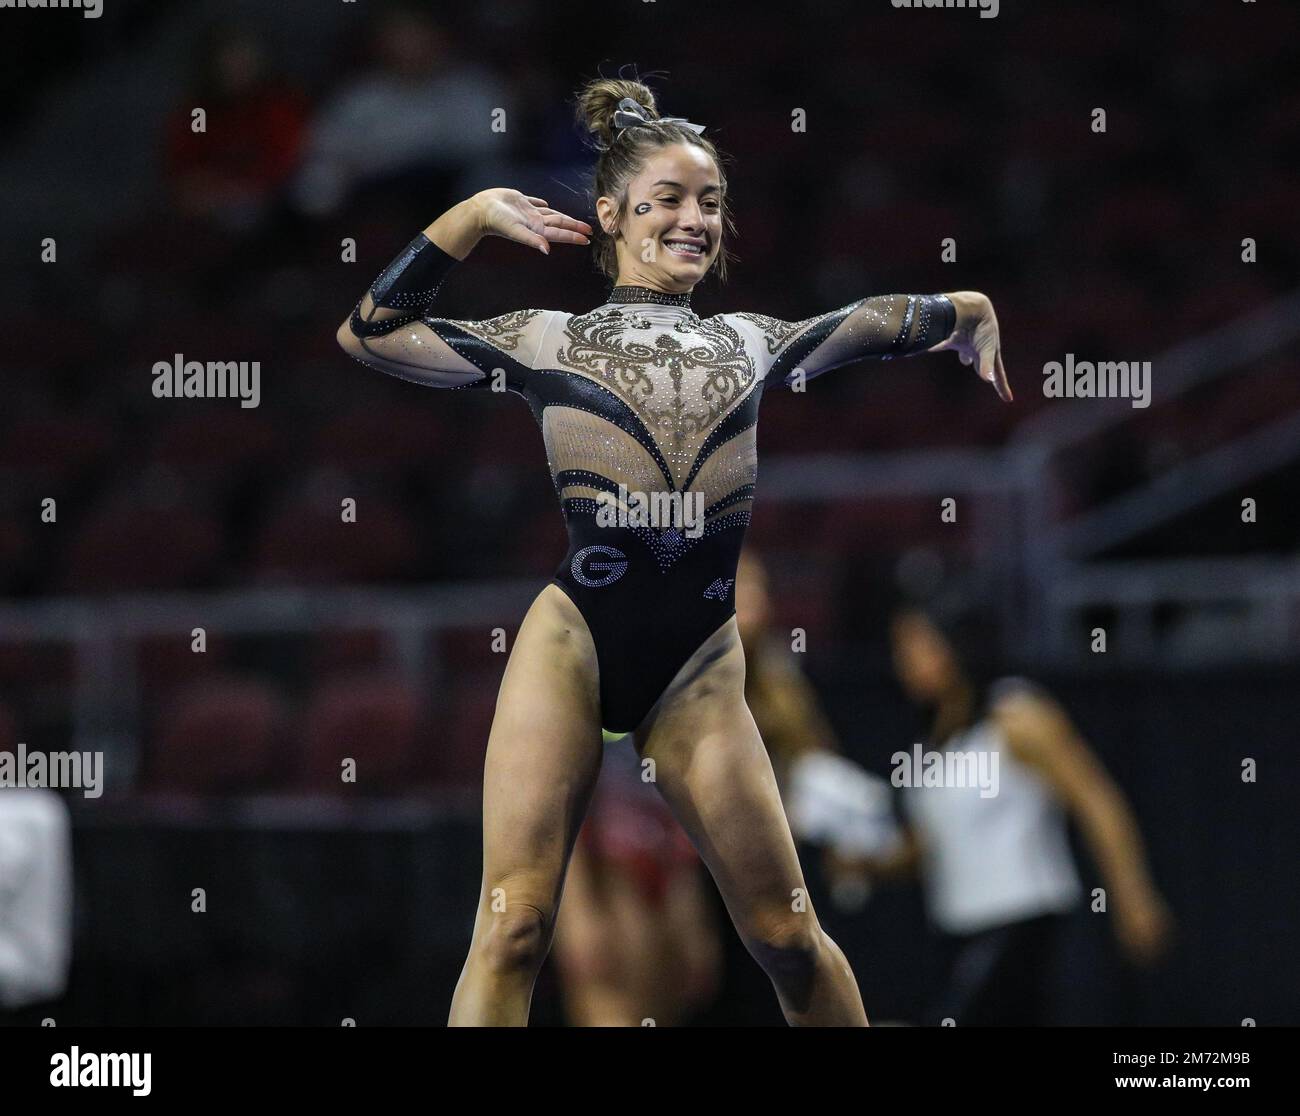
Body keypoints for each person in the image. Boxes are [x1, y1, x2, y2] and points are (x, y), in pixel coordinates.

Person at [336, 76, 1011, 1027]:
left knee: (786, 937)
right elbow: (368, 334)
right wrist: (471, 217)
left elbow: (867, 323)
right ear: (609, 215)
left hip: (697, 665)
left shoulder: (750, 341)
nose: (693, 218)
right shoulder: (545, 339)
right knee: (515, 926)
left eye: (710, 202)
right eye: (666, 200)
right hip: (574, 645)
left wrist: (965, 307)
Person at [852, 603, 1174, 1025]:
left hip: (1022, 926)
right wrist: (868, 864)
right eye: (900, 648)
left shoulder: (1017, 715)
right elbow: (929, 848)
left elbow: (1095, 799)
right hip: (954, 932)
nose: (906, 660)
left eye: (918, 643)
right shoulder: (930, 741)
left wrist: (1134, 896)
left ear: (955, 643)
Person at [550, 730, 721, 1027]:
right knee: (608, 1000)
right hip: (604, 872)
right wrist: (578, 906)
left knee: (661, 1006)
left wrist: (691, 908)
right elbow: (555, 797)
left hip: (664, 862)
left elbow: (678, 793)